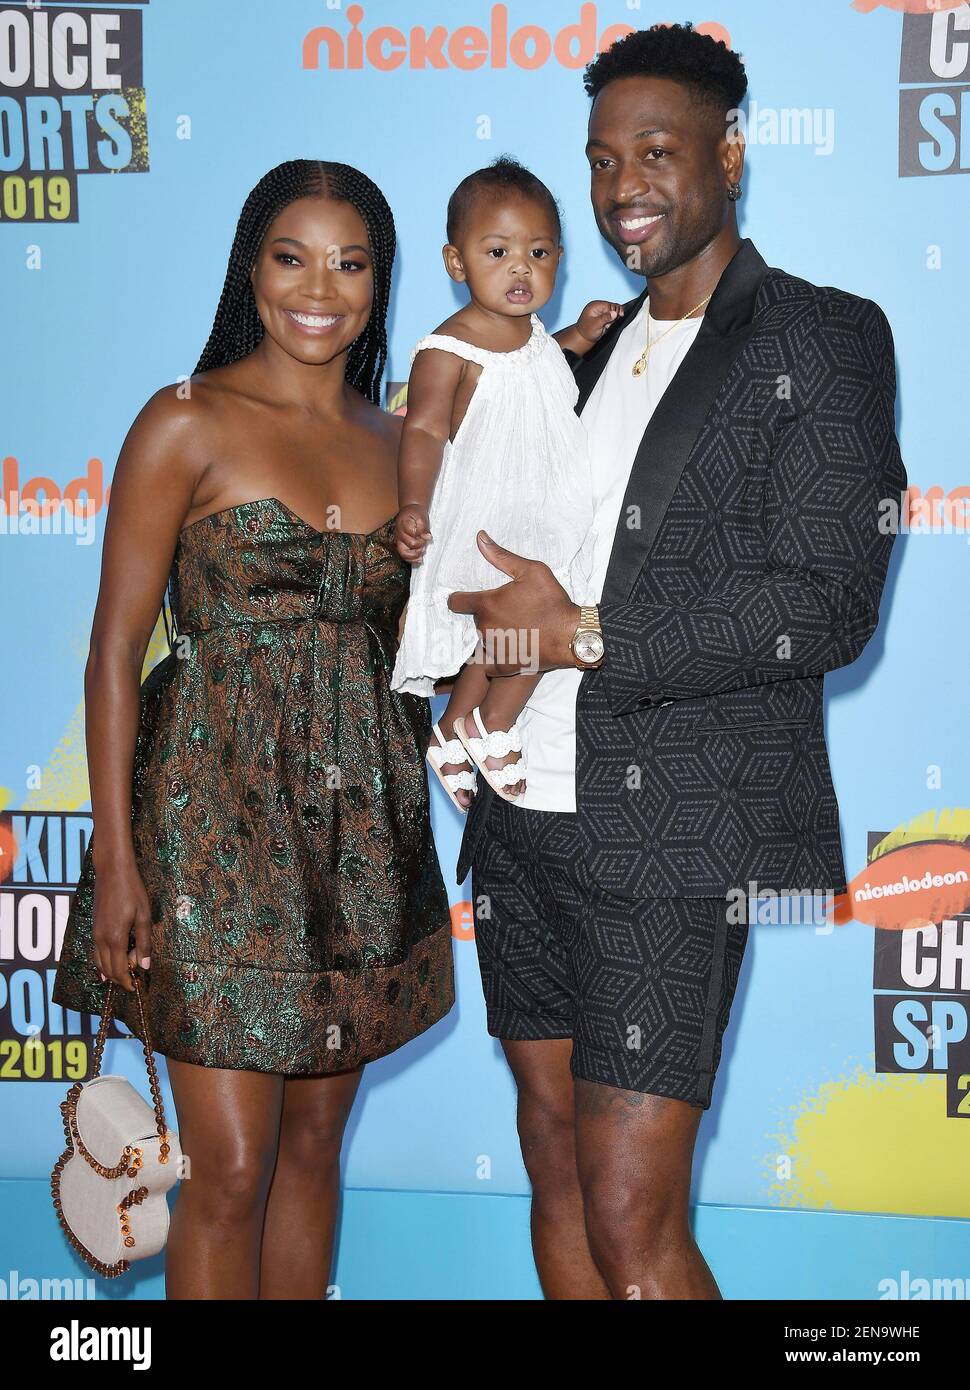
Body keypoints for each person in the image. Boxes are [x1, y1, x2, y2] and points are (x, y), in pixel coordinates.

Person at [449, 24, 905, 1299]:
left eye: (655, 152)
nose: (622, 188)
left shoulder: (820, 335)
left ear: (730, 156)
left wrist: (584, 634)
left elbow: (826, 603)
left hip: (672, 840)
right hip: (522, 823)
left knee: (630, 1220)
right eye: (602, 161)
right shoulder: (579, 350)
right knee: (554, 1172)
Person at [51, 159, 455, 1299]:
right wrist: (117, 860)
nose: (319, 289)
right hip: (208, 838)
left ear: (378, 282)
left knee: (313, 1156)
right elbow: (114, 653)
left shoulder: (401, 443)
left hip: (360, 839)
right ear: (250, 269)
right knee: (228, 1171)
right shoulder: (186, 419)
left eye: (350, 263)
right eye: (291, 258)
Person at [390, 156, 622, 810]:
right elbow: (423, 431)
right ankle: (492, 725)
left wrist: (580, 335)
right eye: (498, 252)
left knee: (503, 634)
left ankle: (450, 730)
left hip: (538, 506)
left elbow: (544, 368)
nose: (521, 268)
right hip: (487, 517)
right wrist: (413, 504)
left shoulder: (533, 335)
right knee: (526, 622)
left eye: (538, 253)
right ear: (455, 262)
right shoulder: (448, 349)